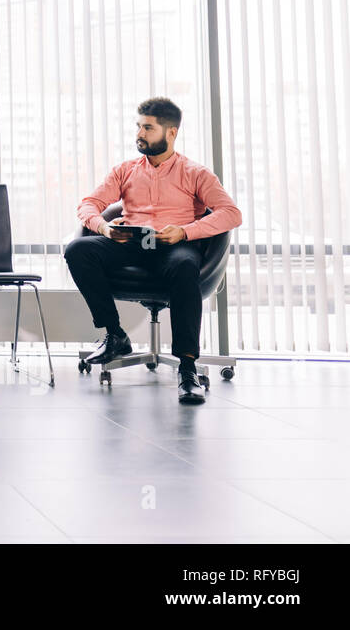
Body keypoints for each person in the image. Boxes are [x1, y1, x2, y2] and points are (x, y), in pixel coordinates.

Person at [64, 97, 241, 404]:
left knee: (186, 266)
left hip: (174, 246)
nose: (140, 134)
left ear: (171, 133)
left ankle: (187, 369)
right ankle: (115, 333)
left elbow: (230, 213)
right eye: (138, 126)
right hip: (132, 245)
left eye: (148, 127)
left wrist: (185, 231)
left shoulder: (196, 173)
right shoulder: (125, 170)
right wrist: (105, 228)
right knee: (78, 249)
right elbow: (88, 204)